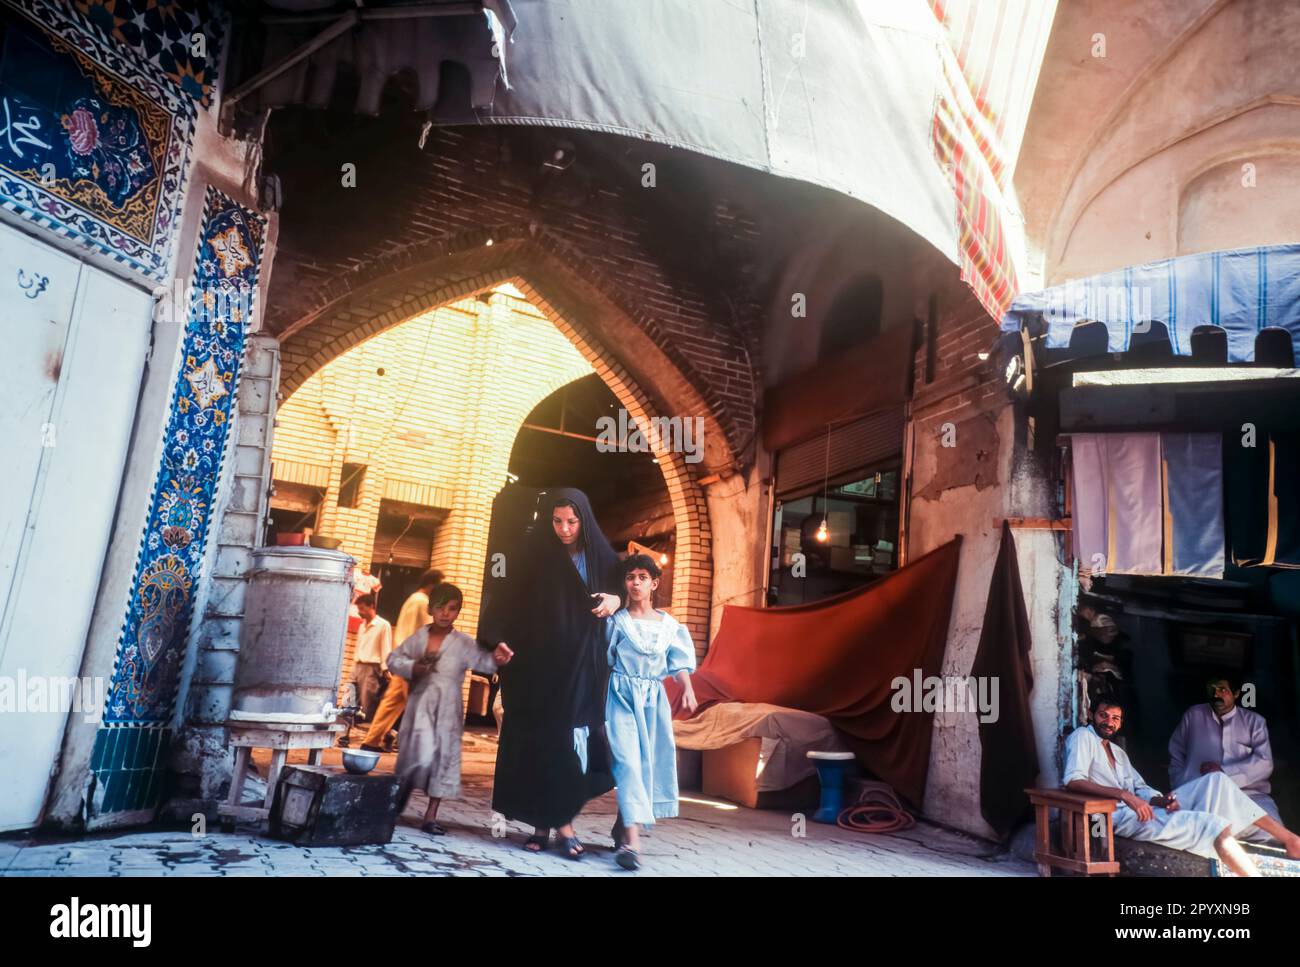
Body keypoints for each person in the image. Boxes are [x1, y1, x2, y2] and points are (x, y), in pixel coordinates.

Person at [489, 488, 621, 859]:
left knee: (570, 741)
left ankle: (553, 822)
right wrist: (496, 639)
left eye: (572, 521)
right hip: (537, 665)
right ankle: (549, 827)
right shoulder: (532, 553)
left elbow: (627, 589)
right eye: (557, 521)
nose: (564, 529)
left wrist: (616, 599)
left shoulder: (602, 557)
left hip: (582, 665)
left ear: (585, 520)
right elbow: (505, 600)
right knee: (543, 740)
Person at [1064, 697, 1300, 876]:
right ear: (1091, 714)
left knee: (1216, 781)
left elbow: (1140, 788)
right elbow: (1073, 781)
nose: (1109, 723)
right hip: (1113, 815)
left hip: (1140, 807)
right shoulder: (1082, 738)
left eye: (1115, 718)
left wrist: (1161, 800)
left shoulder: (1117, 752)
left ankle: (1290, 839)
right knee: (1213, 824)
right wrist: (1125, 796)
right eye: (1104, 716)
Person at [388, 583, 513, 835]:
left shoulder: (463, 642)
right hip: (420, 707)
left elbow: (484, 662)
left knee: (443, 761)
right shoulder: (419, 638)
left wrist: (498, 659)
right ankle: (395, 803)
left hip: (448, 709)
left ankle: (430, 816)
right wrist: (414, 667)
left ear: (458, 612)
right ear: (430, 609)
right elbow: (393, 660)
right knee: (414, 758)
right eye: (440, 608)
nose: (445, 613)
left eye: (452, 609)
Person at [604, 554, 698, 870]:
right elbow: (601, 659)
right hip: (619, 696)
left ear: (654, 583)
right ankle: (633, 844)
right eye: (630, 577)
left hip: (653, 701)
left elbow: (678, 661)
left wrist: (686, 687)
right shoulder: (616, 622)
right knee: (628, 762)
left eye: (642, 577)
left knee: (645, 765)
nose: (635, 582)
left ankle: (623, 825)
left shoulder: (670, 626)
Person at [1169, 674, 1281, 843]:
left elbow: (1264, 763)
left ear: (1236, 693)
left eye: (1222, 690)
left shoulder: (1254, 722)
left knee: (1272, 834)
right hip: (1202, 796)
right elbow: (1176, 754)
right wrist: (1183, 788)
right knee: (1194, 831)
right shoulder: (1193, 715)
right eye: (1211, 690)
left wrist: (1223, 774)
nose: (1216, 695)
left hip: (1249, 796)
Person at [361, 569, 444, 753]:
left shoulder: (413, 600)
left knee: (393, 702)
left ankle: (372, 741)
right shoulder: (422, 602)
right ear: (432, 584)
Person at [351, 594, 392, 725]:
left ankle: (375, 734)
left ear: (371, 606)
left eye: (362, 608)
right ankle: (346, 734)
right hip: (357, 666)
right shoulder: (362, 626)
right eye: (358, 609)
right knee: (351, 702)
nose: (359, 612)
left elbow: (385, 648)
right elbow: (358, 647)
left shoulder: (383, 625)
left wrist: (386, 670)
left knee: (369, 702)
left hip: (371, 668)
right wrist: (353, 669)